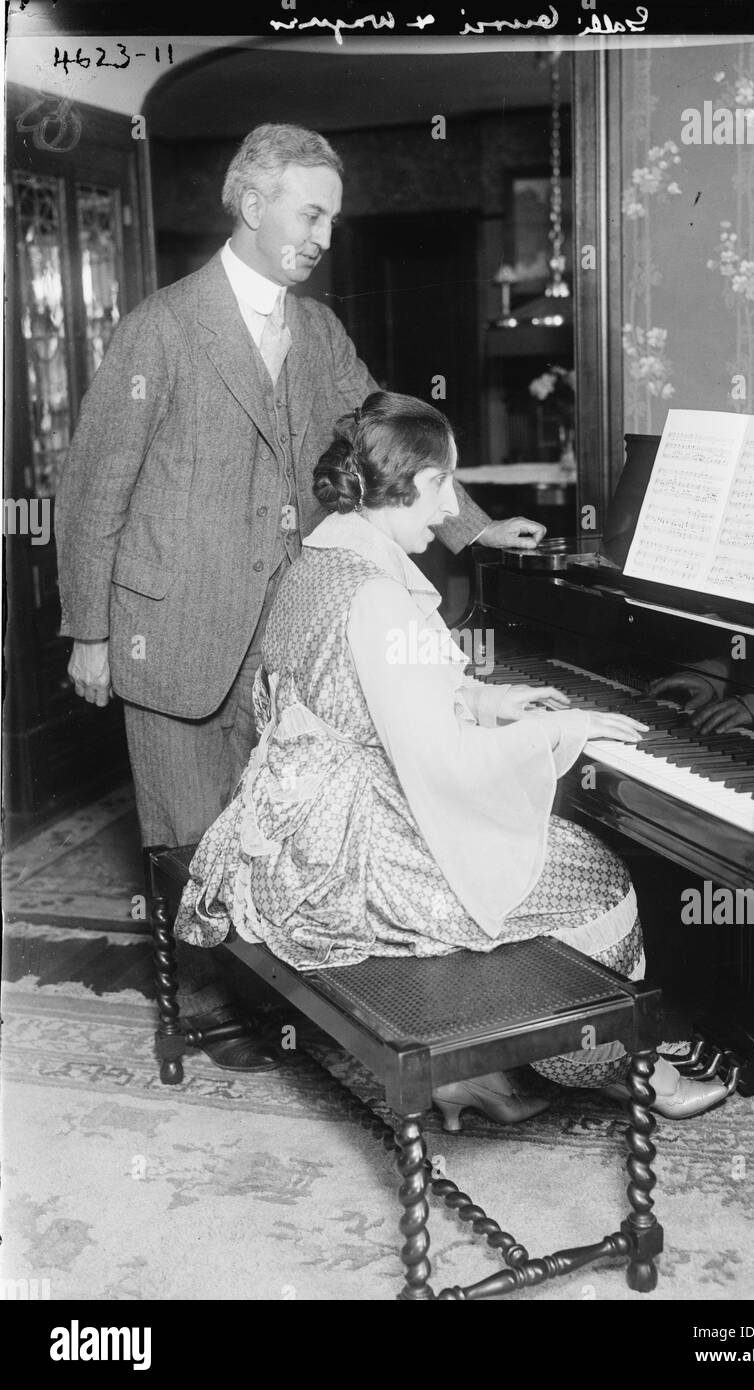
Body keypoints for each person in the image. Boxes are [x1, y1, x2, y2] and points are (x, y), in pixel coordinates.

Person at [54, 124, 546, 1068]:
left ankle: (296, 1015)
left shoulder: (318, 330)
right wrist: (90, 632)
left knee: (285, 838)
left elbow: (388, 434)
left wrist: (468, 526)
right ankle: (229, 1014)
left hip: (286, 635)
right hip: (173, 634)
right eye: (310, 212)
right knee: (198, 847)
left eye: (332, 217)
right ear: (251, 204)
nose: (324, 234)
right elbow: (92, 489)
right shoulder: (160, 327)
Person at [175, 391, 728, 1124]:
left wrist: (486, 699)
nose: (448, 510)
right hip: (353, 857)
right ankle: (620, 1071)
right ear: (404, 482)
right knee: (600, 884)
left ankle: (470, 1079)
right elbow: (445, 764)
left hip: (289, 828)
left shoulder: (319, 559)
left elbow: (377, 690)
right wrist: (565, 730)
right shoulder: (376, 595)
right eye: (441, 485)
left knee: (546, 863)